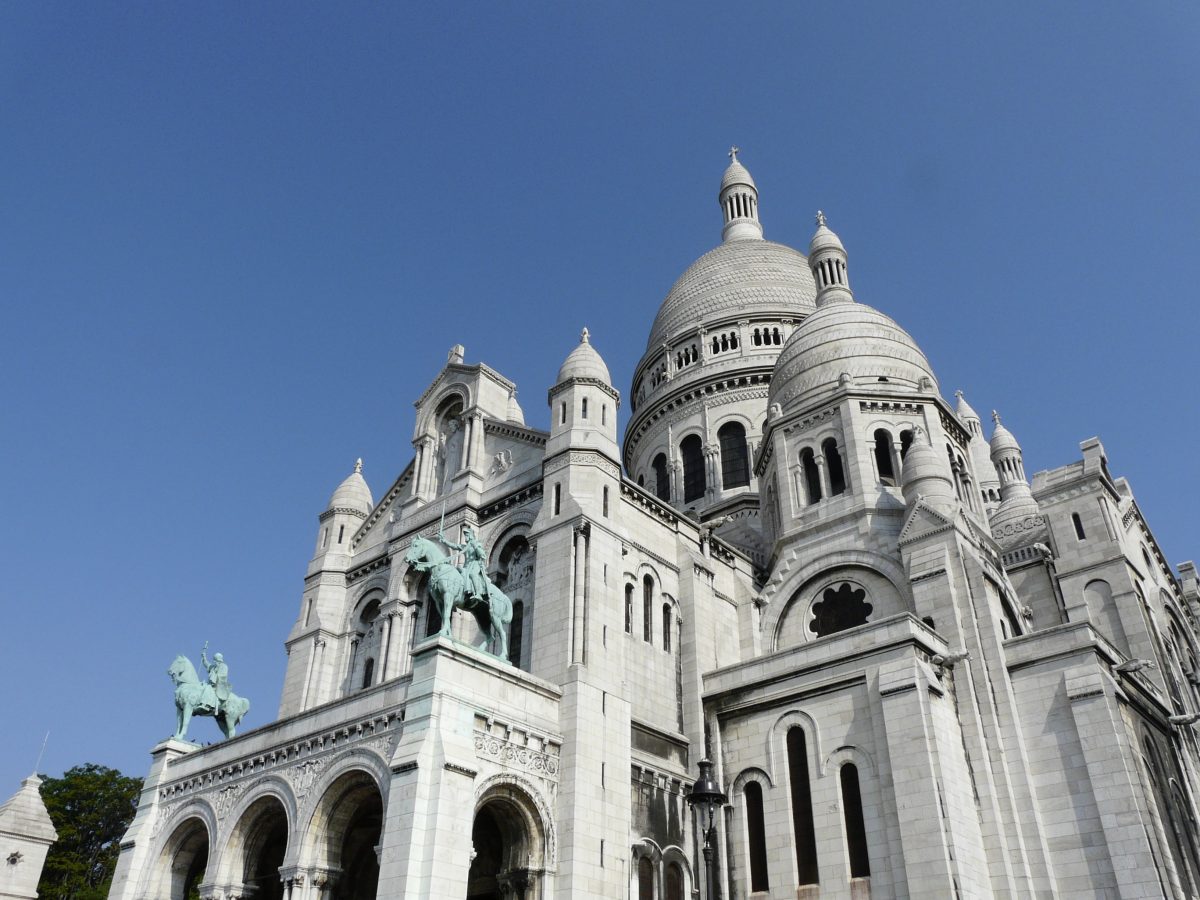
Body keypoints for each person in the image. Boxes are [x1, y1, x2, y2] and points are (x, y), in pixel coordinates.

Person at [438, 525, 490, 603]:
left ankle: (478, 594)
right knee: (459, 572)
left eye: (467, 535)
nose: (465, 537)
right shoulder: (464, 546)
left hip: (475, 564)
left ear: (471, 536)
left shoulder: (477, 544)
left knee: (472, 574)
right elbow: (454, 546)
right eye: (465, 535)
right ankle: (463, 593)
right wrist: (444, 540)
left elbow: (482, 555)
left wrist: (475, 546)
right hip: (467, 565)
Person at [201, 642, 231, 710]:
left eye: (217, 661)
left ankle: (207, 705)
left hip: (219, 685)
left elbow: (223, 676)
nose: (215, 662)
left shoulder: (224, 666)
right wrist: (204, 657)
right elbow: (206, 664)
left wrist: (214, 677)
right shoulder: (213, 667)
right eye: (215, 661)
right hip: (211, 684)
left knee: (208, 688)